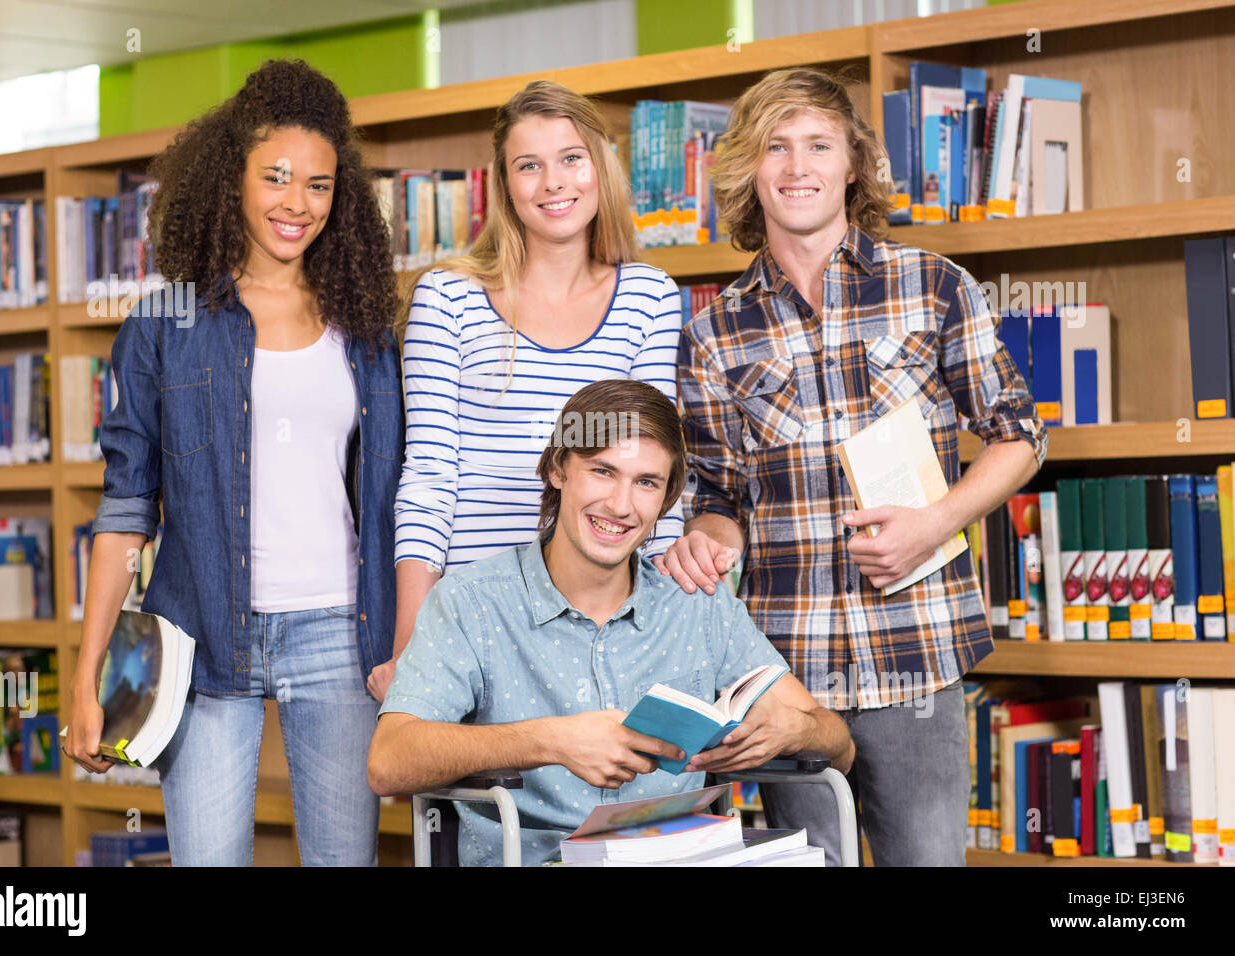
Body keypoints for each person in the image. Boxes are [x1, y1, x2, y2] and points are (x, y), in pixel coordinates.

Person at [661, 68, 1047, 866]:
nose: (797, 167)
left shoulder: (934, 288)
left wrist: (933, 524)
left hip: (917, 652)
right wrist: (704, 533)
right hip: (784, 674)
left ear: (852, 166)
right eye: (776, 147)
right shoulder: (713, 334)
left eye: (818, 146)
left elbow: (1019, 436)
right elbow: (718, 492)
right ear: (747, 171)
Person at [63, 59, 402, 866]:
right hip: (201, 634)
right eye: (276, 177)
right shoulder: (164, 325)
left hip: (340, 631)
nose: (297, 203)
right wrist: (88, 680)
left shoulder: (366, 327)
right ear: (232, 177)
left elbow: (397, 494)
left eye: (319, 185)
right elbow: (123, 512)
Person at [368, 379, 855, 866]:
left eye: (646, 482)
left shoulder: (699, 606)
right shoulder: (470, 603)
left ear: (666, 498)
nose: (621, 506)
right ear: (558, 469)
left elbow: (839, 746)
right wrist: (552, 740)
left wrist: (794, 730)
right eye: (603, 471)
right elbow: (388, 762)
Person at [374, 80, 685, 703]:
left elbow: (655, 477)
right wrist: (412, 638)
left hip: (599, 615)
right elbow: (431, 474)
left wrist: (670, 626)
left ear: (601, 168)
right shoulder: (448, 297)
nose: (553, 183)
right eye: (529, 165)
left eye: (571, 158)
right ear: (505, 185)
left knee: (614, 795)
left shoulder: (649, 298)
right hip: (472, 615)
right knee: (480, 797)